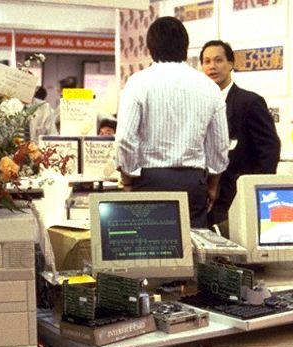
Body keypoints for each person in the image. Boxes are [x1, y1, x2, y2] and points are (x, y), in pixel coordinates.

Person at [116, 16, 229, 228]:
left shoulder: (138, 82)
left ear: (150, 47)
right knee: (192, 250)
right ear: (185, 47)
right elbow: (220, 144)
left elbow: (124, 138)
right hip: (193, 182)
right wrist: (212, 184)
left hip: (149, 181)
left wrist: (128, 179)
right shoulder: (208, 86)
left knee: (149, 252)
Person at [200, 40, 281, 227]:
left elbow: (270, 148)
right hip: (206, 194)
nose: (212, 66)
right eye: (207, 61)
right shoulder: (199, 102)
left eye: (218, 60)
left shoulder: (249, 102)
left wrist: (258, 190)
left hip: (237, 194)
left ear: (231, 64)